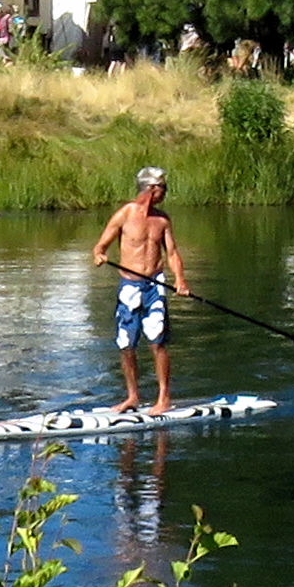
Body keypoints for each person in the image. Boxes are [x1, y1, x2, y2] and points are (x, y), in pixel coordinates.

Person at [91, 165, 189, 414]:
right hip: (129, 288)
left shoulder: (163, 220)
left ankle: (163, 398)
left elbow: (173, 253)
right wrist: (100, 255)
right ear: (151, 189)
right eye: (163, 188)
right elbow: (100, 246)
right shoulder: (125, 214)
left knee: (158, 342)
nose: (165, 192)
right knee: (126, 344)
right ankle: (132, 397)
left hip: (155, 286)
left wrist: (180, 280)